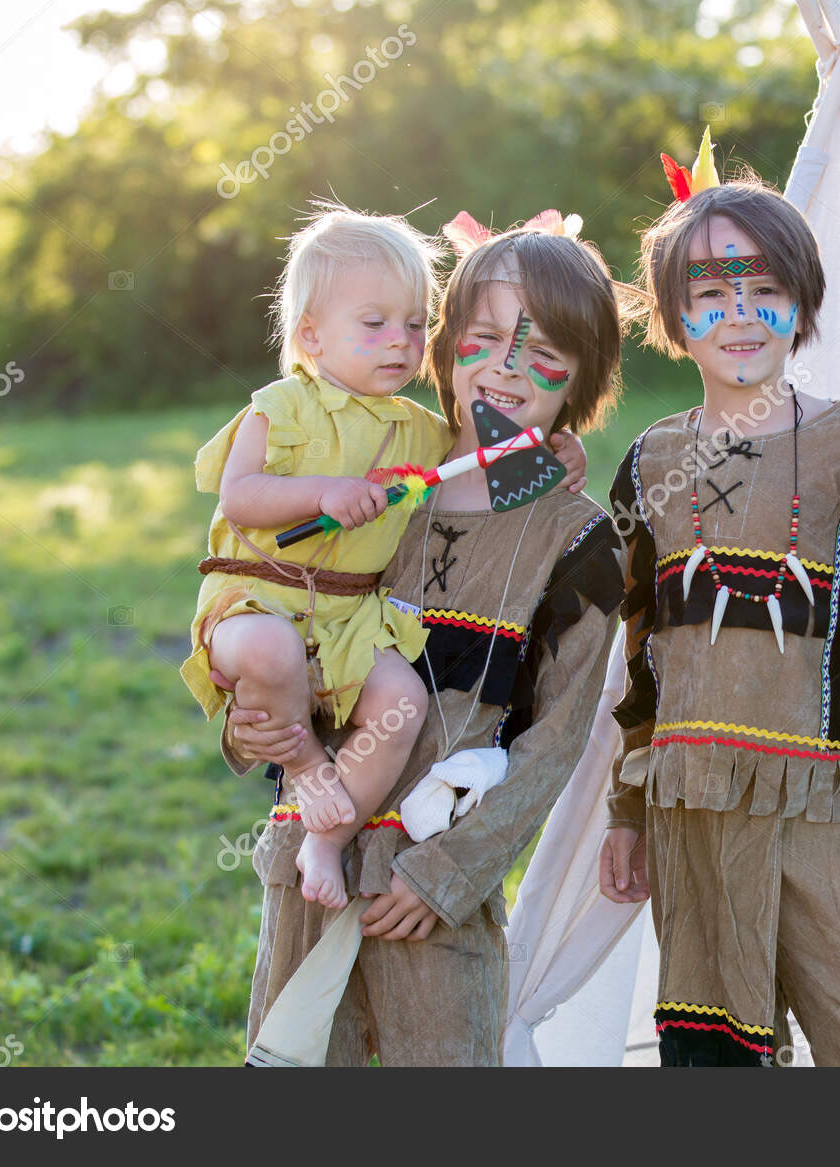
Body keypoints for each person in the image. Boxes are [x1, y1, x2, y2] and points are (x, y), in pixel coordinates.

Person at [597, 144, 840, 1067]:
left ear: (801, 305)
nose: (740, 315)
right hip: (690, 813)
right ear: (676, 318)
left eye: (763, 288)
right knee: (717, 1060)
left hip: (826, 809)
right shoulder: (650, 464)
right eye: (710, 293)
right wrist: (625, 811)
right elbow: (638, 656)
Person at [217, 214, 627, 1066]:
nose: (509, 370)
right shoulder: (384, 486)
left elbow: (556, 741)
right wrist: (246, 724)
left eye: (543, 348)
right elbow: (281, 626)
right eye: (484, 339)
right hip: (311, 853)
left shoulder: (579, 541)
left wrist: (447, 875)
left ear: (583, 373)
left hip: (430, 886)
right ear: (444, 351)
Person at [180, 205, 584, 911]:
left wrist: (556, 451)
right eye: (374, 325)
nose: (400, 342)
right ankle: (309, 770)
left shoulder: (419, 431)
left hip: (348, 613)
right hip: (259, 596)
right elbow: (240, 497)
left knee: (401, 705)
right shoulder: (280, 407)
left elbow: (485, 459)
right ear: (312, 334)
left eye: (415, 324)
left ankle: (326, 839)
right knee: (272, 653)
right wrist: (324, 492)